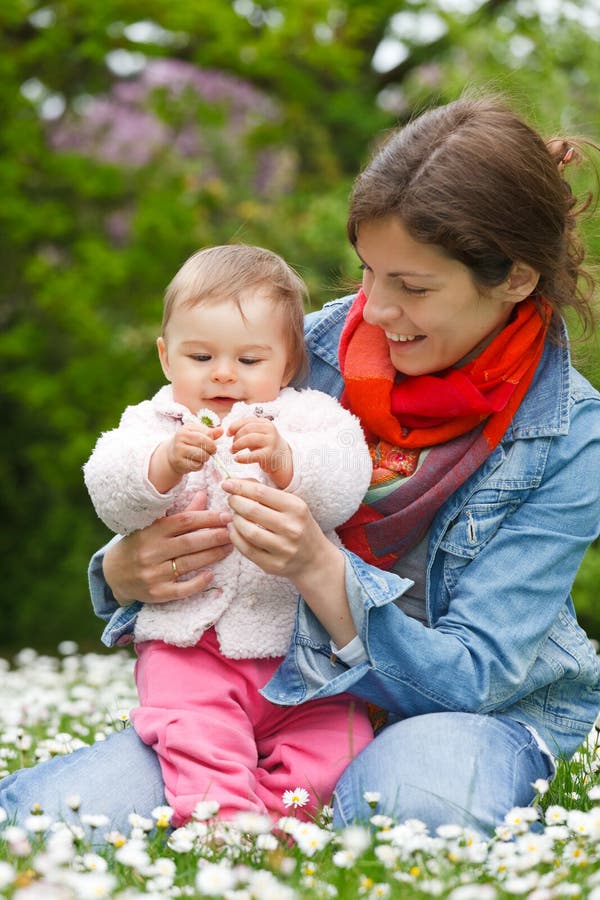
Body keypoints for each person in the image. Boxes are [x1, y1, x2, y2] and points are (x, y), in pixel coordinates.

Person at [1, 94, 599, 839]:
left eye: (412, 287)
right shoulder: (287, 350)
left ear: (513, 279)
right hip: (270, 686)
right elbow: (159, 471)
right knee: (52, 820)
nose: (373, 309)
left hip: (458, 711)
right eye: (368, 271)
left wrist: (320, 567)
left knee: (417, 810)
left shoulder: (571, 434)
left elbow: (476, 677)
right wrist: (123, 571)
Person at [82, 244, 374, 826]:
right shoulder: (153, 422)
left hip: (300, 655)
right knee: (198, 740)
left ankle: (280, 823)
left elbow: (347, 476)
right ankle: (226, 832)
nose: (222, 373)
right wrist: (161, 465)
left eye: (248, 359)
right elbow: (108, 484)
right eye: (200, 355)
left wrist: (289, 462)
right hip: (189, 649)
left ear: (287, 364)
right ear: (166, 357)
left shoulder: (307, 417)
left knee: (338, 743)